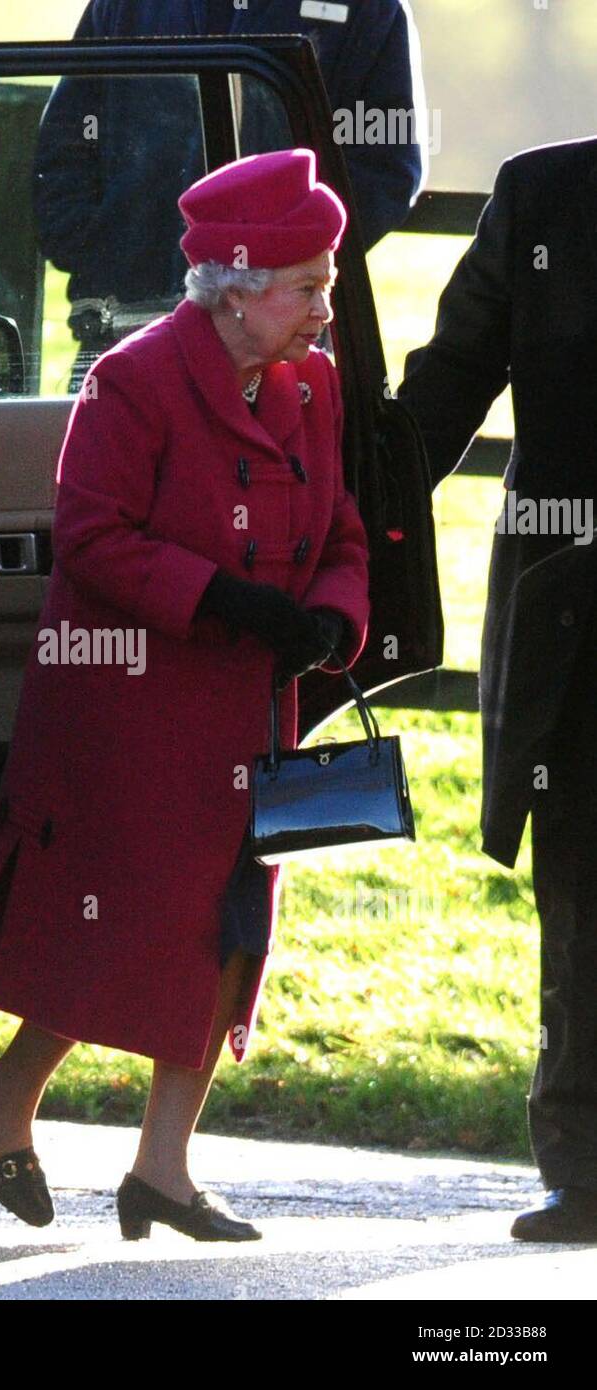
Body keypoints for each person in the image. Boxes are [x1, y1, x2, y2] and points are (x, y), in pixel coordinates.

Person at [0, 150, 370, 1241]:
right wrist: (225, 595)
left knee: (228, 930)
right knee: (125, 928)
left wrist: (328, 611)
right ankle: (4, 1095)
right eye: (309, 285)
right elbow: (90, 540)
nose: (327, 306)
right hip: (130, 712)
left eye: (328, 281)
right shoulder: (131, 382)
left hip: (246, 712)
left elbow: (344, 535)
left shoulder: (312, 386)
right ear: (235, 290)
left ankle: (162, 1174)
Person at [397, 138, 597, 1243]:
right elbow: (449, 382)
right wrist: (351, 525)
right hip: (574, 602)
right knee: (577, 871)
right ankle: (585, 1162)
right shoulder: (545, 195)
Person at [34, 0, 427, 380]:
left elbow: (386, 169)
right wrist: (95, 247)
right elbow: (66, 144)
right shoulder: (124, 4)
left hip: (276, 348)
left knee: (271, 446)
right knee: (107, 444)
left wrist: (288, 267)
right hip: (123, 329)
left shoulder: (368, 8)